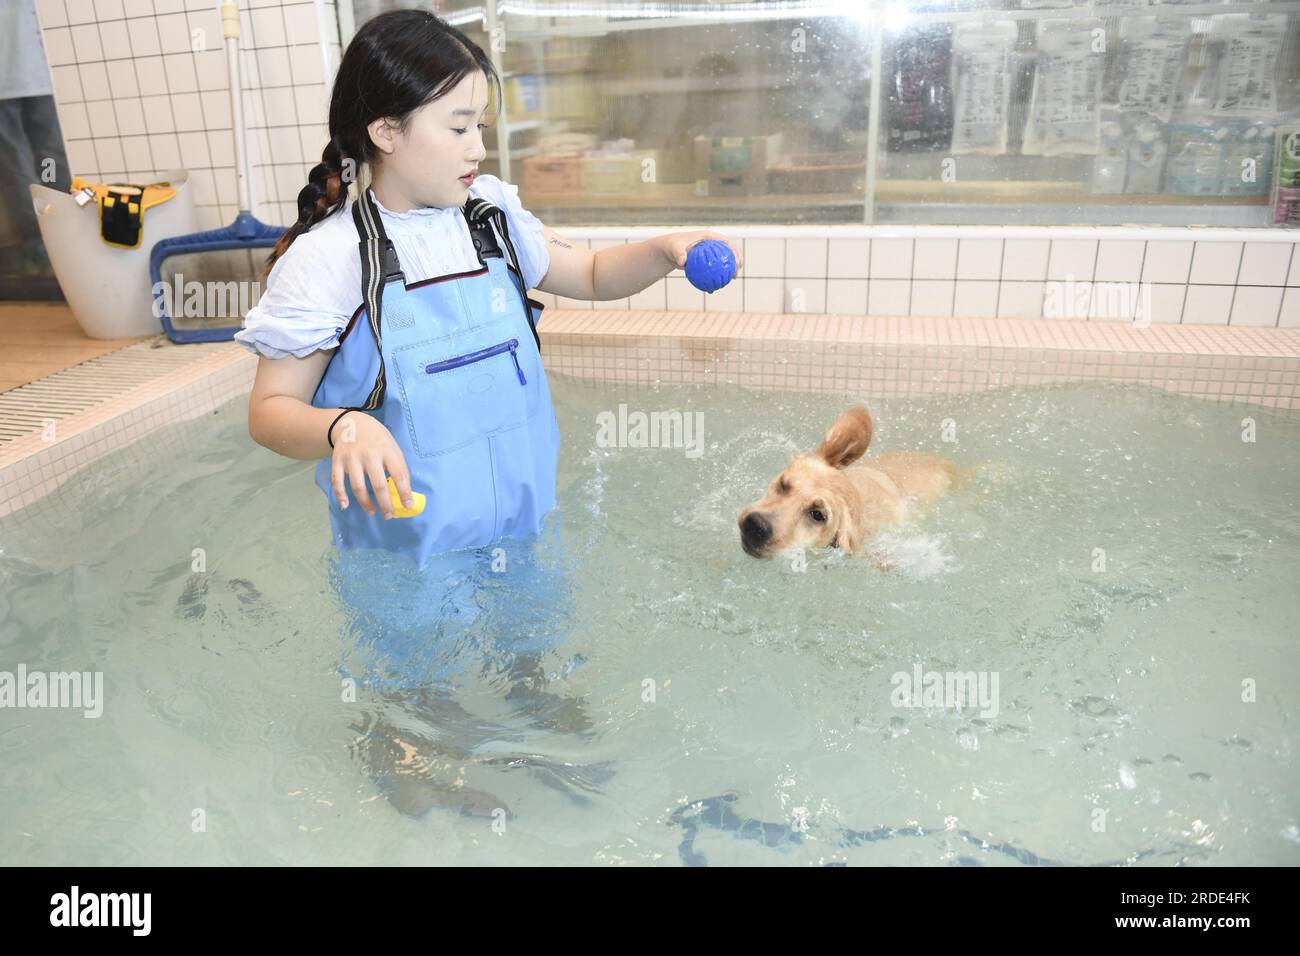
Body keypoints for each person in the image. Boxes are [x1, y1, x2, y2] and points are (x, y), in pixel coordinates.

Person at [234, 9, 742, 818]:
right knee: (414, 678)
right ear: (387, 131)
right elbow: (268, 411)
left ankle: (532, 701)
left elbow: (592, 273)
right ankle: (399, 752)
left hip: (516, 513)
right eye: (459, 125)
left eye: (482, 125)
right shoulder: (332, 259)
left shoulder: (490, 214)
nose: (478, 147)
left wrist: (661, 252)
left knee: (528, 638)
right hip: (408, 542)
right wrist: (344, 425)